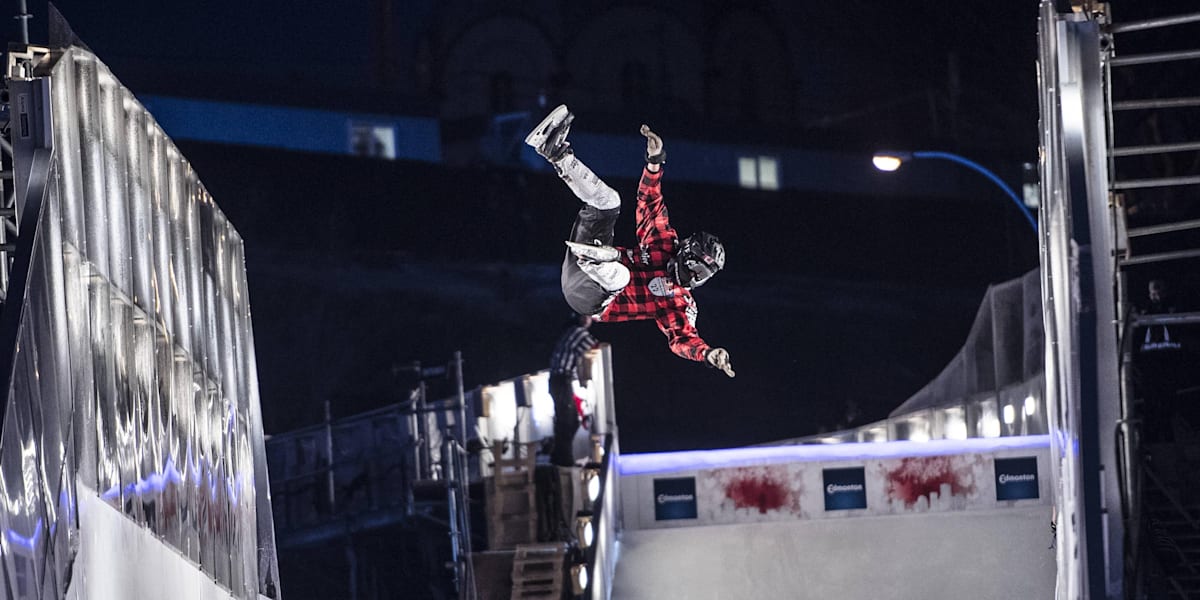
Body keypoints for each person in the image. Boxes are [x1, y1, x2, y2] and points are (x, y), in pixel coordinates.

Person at [524, 104, 735, 378]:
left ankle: (599, 262)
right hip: (578, 267)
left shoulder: (679, 303)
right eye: (695, 268)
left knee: (621, 276)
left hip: (589, 299)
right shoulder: (664, 242)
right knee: (609, 202)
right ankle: (554, 150)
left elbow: (683, 339)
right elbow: (649, 200)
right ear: (685, 252)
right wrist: (655, 161)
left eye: (701, 276)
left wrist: (706, 353)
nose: (693, 277)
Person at [547, 313, 598, 466]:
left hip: (557, 380)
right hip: (562, 380)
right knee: (567, 421)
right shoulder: (579, 333)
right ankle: (564, 460)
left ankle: (559, 456)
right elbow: (593, 347)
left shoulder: (569, 331)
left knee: (566, 420)